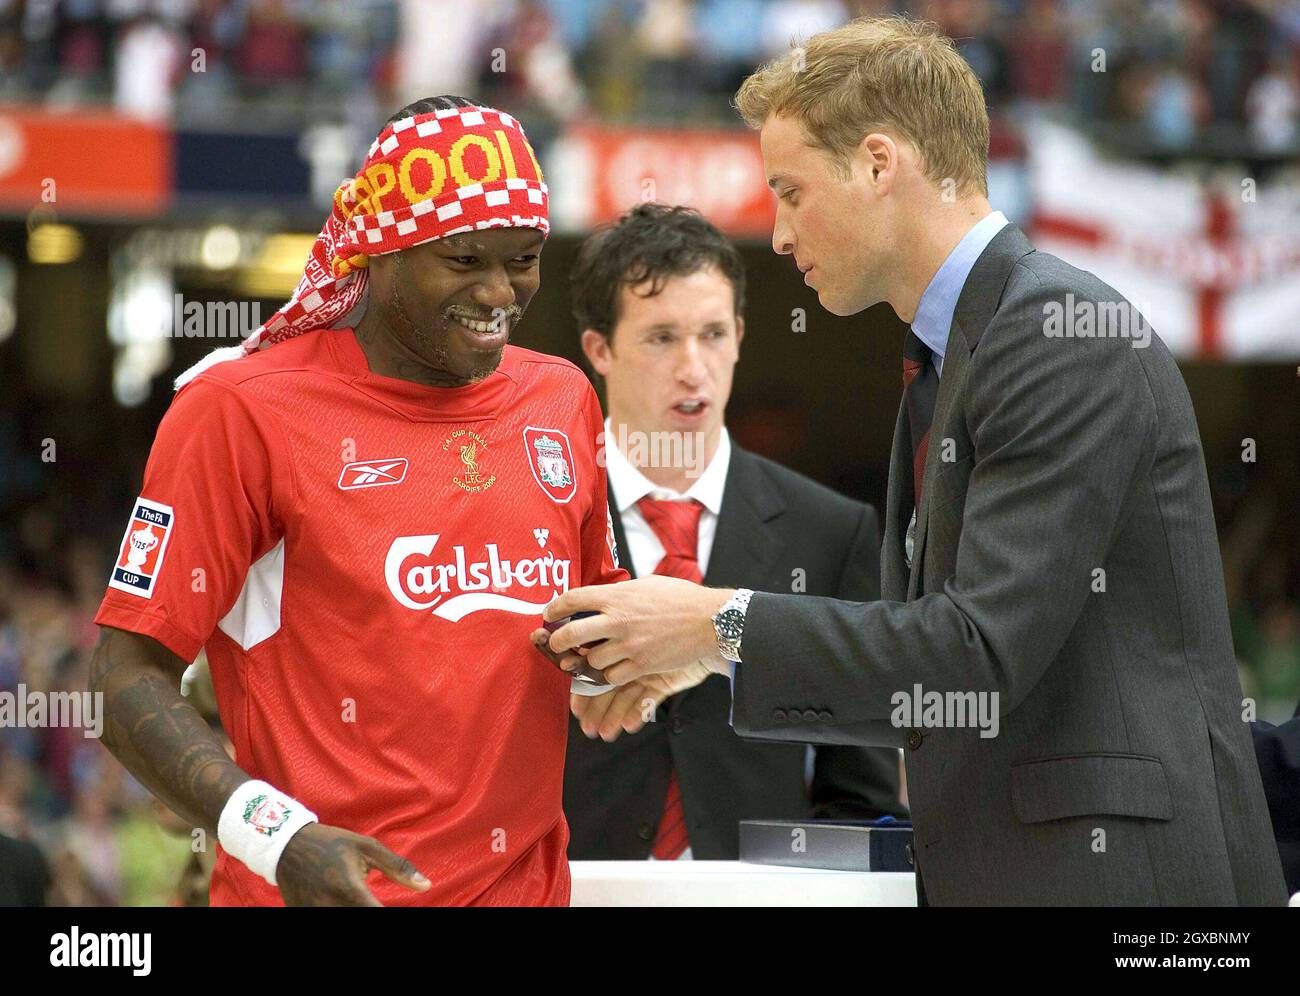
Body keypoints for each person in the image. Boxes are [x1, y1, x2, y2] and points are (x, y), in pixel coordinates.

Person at [537, 17, 1288, 905]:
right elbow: (930, 686)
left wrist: (717, 623)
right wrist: (716, 655)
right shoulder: (954, 353)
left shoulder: (1054, 337)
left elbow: (974, 655)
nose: (777, 235)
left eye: (791, 190)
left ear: (879, 164)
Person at [89, 95, 630, 906]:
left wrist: (615, 666)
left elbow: (593, 641)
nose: (498, 294)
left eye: (521, 258)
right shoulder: (241, 411)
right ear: (376, 251)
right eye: (462, 259)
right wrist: (273, 836)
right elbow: (123, 675)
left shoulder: (563, 400)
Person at [562, 203, 905, 860]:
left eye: (713, 334)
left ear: (741, 336)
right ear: (598, 349)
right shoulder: (538, 518)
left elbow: (861, 794)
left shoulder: (830, 531)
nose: (694, 367)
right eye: (662, 337)